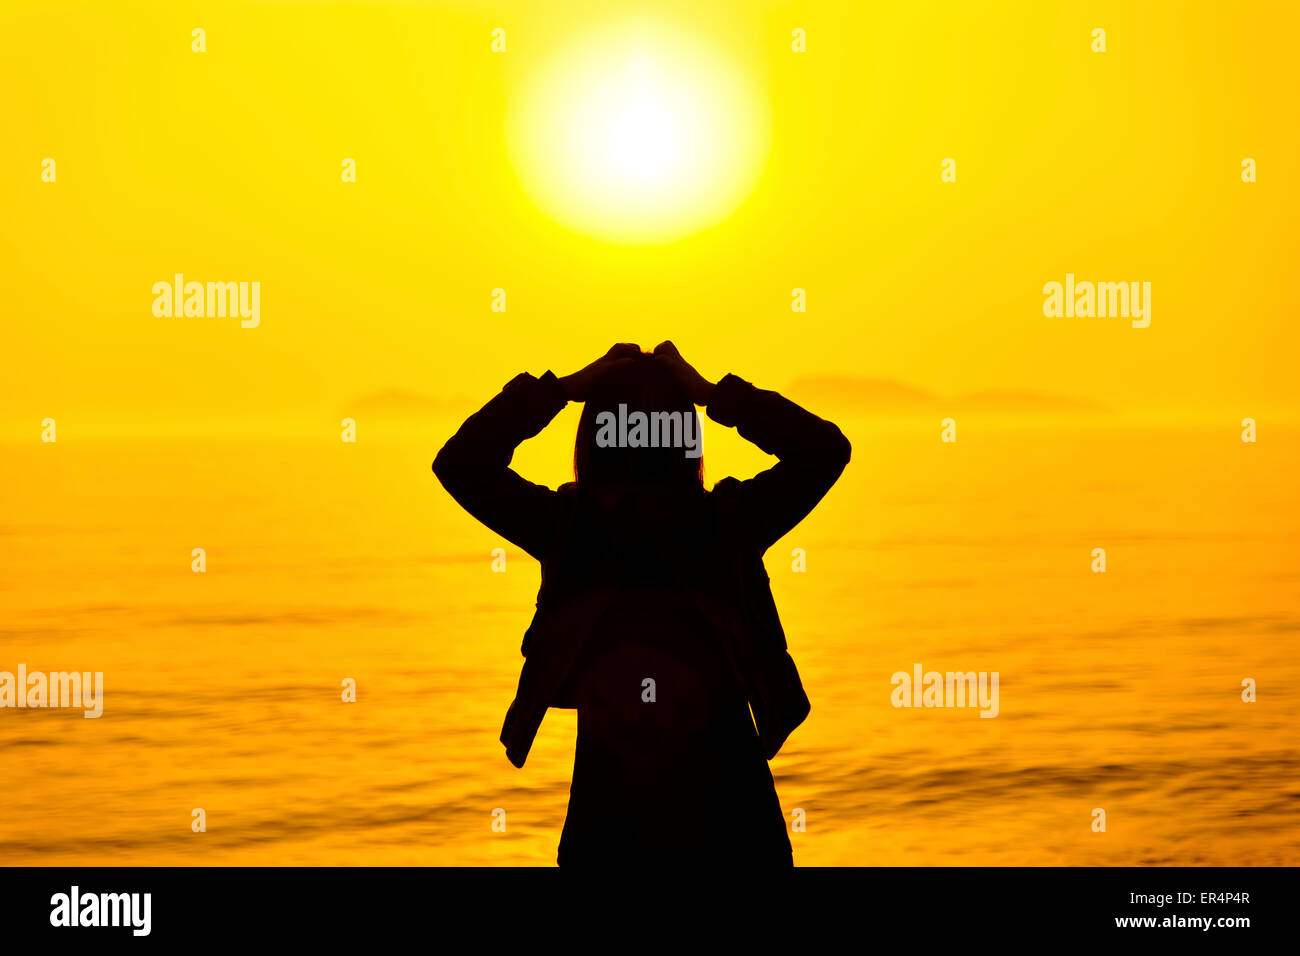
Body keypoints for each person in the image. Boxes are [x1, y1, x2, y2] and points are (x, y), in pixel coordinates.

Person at [433, 342, 851, 866]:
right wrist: (712, 394)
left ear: (593, 443)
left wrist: (561, 390)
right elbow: (824, 451)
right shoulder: (727, 524)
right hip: (730, 827)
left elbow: (462, 463)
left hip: (615, 829)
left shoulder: (572, 530)